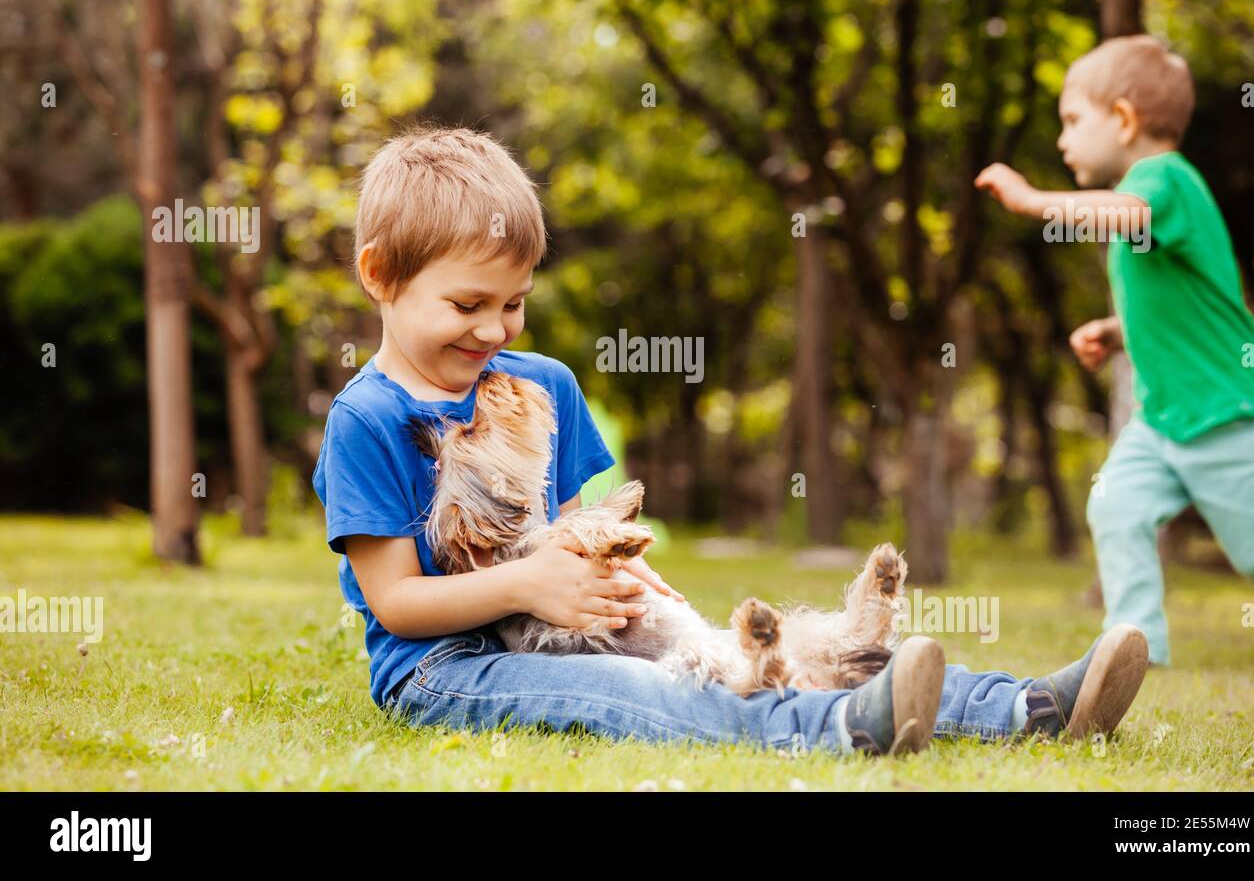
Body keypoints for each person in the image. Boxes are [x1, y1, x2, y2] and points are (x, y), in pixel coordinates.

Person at [312, 124, 1149, 756]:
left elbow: (574, 530)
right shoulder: (367, 418)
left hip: (572, 621)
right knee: (642, 692)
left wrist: (631, 579)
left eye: (515, 302)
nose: (495, 328)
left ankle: (1023, 705)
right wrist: (530, 586)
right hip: (449, 667)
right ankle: (836, 728)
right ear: (380, 275)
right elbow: (396, 603)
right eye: (468, 306)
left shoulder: (543, 385)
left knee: (728, 651)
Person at [975, 35, 1254, 667]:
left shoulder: (1162, 180)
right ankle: (1134, 650)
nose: (1064, 139)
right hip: (1164, 420)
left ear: (1123, 119)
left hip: (1231, 416)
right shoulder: (1152, 201)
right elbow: (1190, 303)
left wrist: (1036, 203)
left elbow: (1124, 215)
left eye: (1072, 121)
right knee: (1116, 503)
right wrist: (1117, 330)